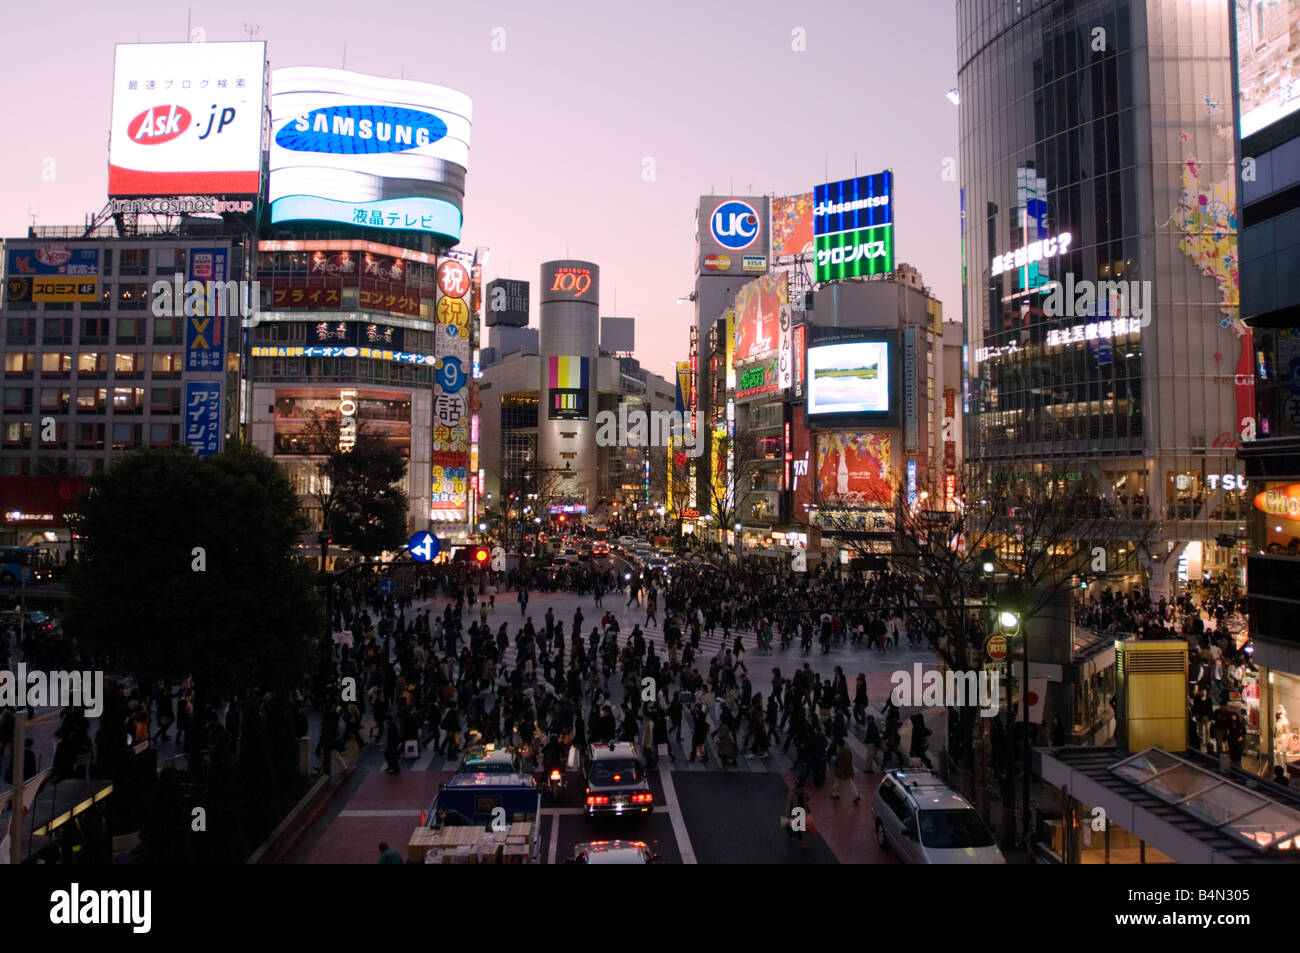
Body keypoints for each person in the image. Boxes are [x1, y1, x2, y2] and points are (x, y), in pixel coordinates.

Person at [785, 780, 811, 851]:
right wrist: (788, 815)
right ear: (797, 788)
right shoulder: (792, 794)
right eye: (801, 789)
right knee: (789, 827)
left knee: (799, 829)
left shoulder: (803, 793)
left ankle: (802, 843)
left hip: (801, 813)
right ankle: (790, 835)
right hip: (793, 814)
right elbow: (788, 805)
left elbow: (806, 803)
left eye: (803, 789)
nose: (802, 790)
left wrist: (809, 811)